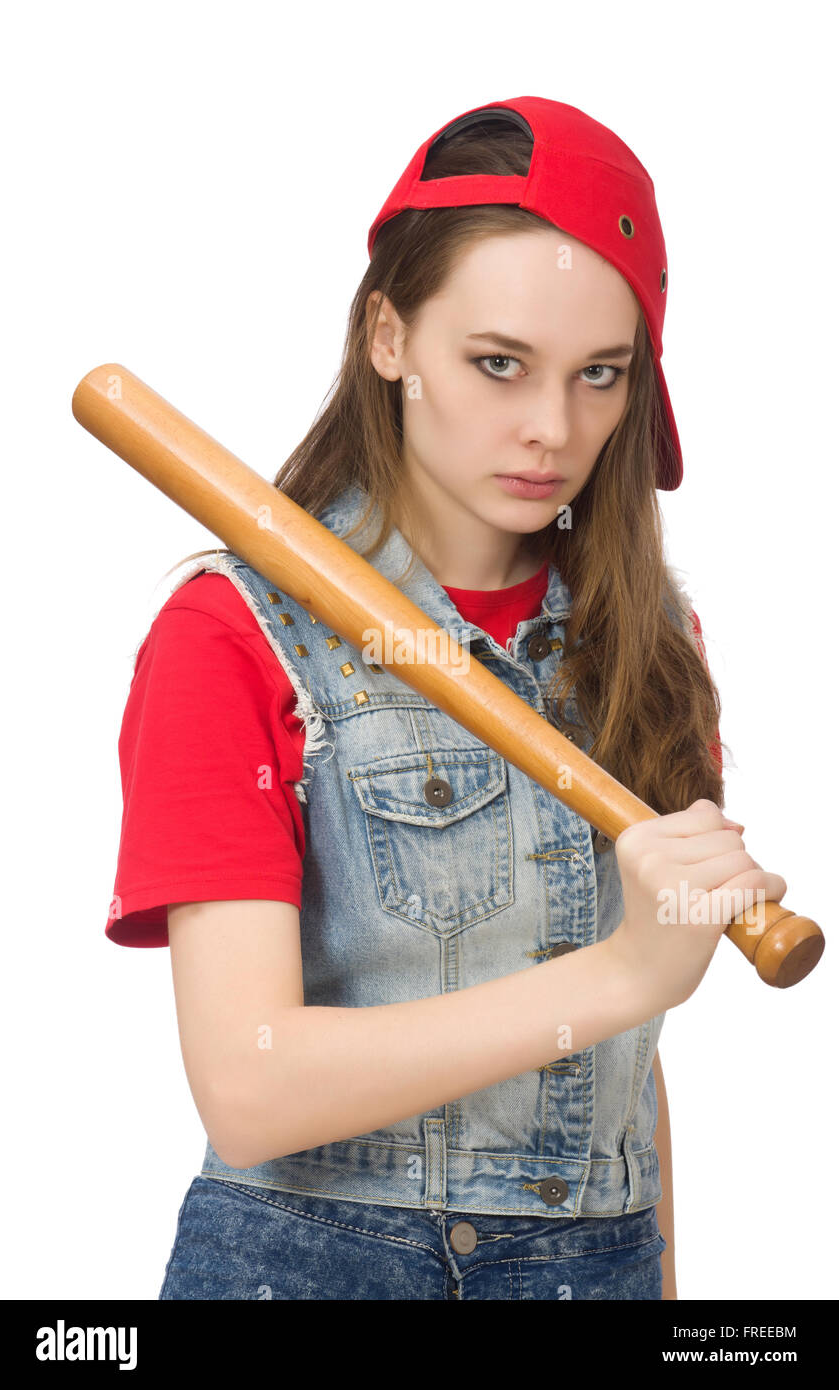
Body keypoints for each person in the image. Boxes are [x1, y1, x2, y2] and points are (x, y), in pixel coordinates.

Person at [105, 97, 786, 1300]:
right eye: (497, 362)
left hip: (603, 1265)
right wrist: (625, 971)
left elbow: (619, 1074)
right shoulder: (232, 637)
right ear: (388, 336)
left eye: (600, 376)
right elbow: (249, 1087)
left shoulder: (648, 644)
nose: (550, 429)